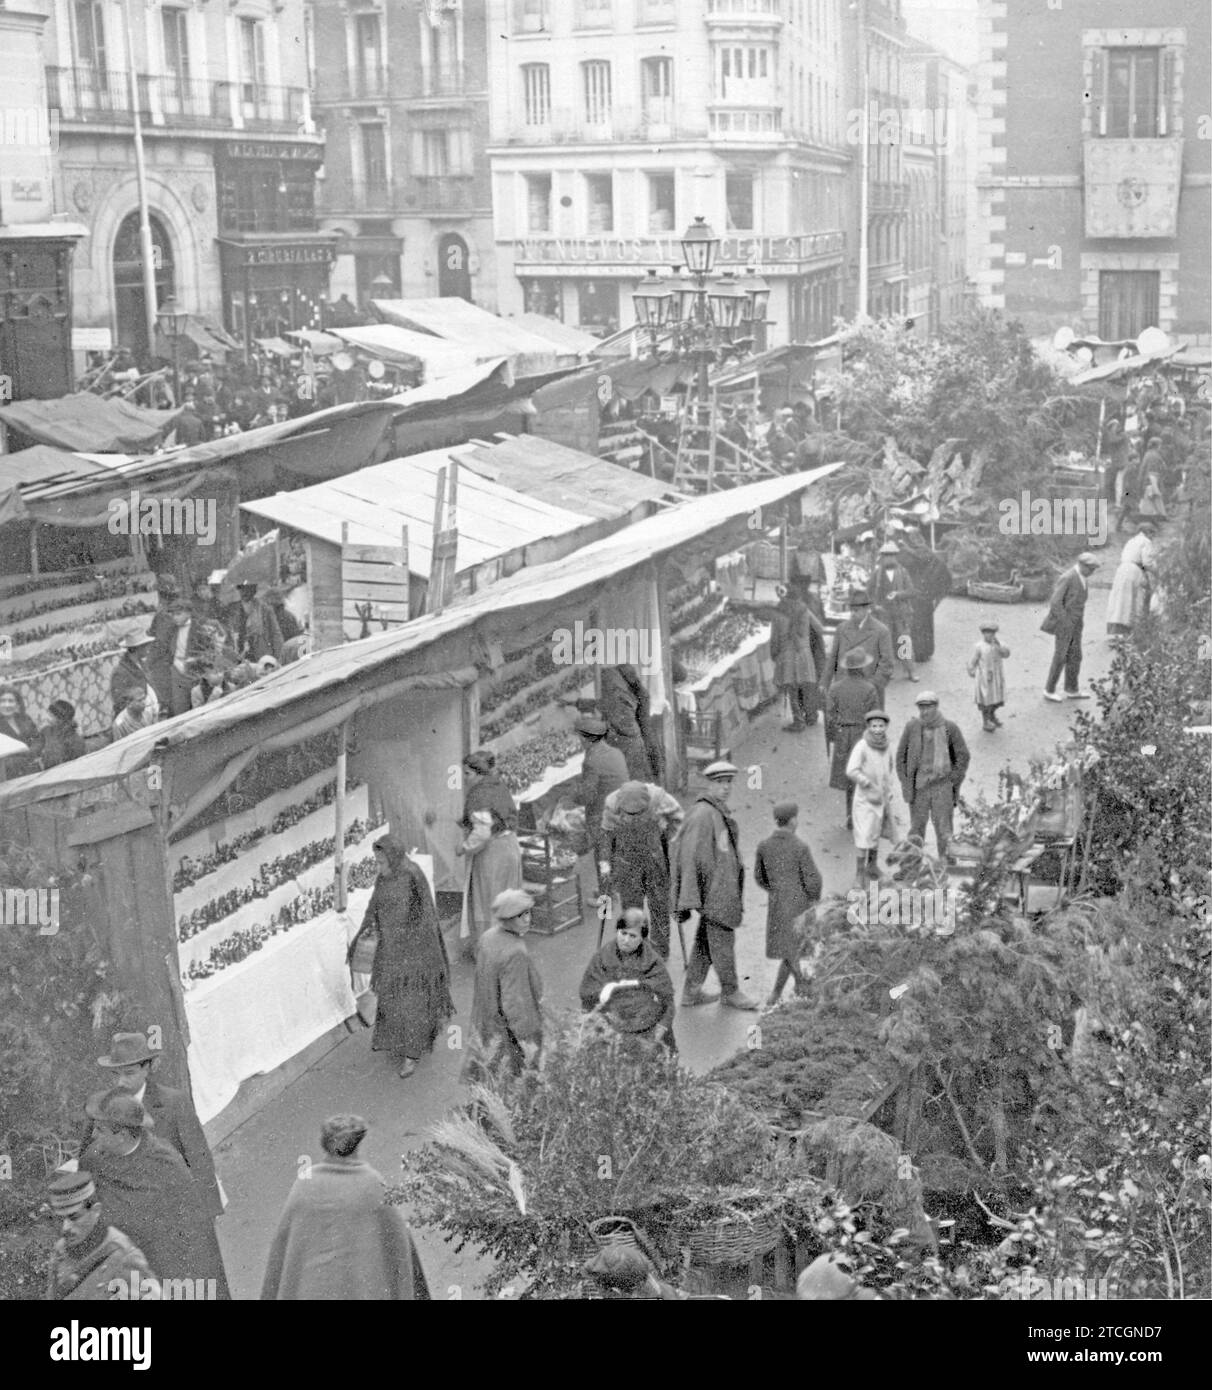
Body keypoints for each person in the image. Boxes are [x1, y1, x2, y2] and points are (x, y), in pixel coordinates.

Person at [261, 1115, 430, 1301]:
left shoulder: (304, 1186)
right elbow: (400, 1249)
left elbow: (280, 1256)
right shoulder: (372, 1185)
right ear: (358, 1143)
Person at [81, 1089, 230, 1297]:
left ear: (122, 1135)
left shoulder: (166, 1164)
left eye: (100, 1130)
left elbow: (194, 1236)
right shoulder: (93, 1159)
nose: (94, 1136)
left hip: (164, 1273)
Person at [346, 836, 453, 1080]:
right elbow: (374, 904)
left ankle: (412, 1054)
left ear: (393, 856)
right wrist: (365, 929)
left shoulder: (412, 874)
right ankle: (400, 1042)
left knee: (412, 1003)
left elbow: (426, 917)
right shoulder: (384, 877)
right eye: (377, 861)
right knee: (393, 1001)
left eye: (382, 860)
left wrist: (414, 947)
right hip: (390, 951)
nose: (379, 865)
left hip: (414, 954)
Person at [87, 1031, 223, 1220]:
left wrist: (208, 1212)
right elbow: (88, 1158)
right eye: (115, 1074)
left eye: (129, 1073)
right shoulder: (102, 1105)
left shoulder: (174, 1103)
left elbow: (199, 1158)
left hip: (171, 1206)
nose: (121, 1082)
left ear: (147, 1068)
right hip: (125, 1211)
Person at [671, 760, 758, 1011]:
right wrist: (694, 896)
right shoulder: (703, 814)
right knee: (722, 939)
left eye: (729, 782)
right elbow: (690, 857)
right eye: (720, 783)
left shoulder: (714, 810)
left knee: (706, 940)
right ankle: (731, 991)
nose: (726, 788)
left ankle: (691, 991)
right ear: (707, 784)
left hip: (719, 889)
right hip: (714, 892)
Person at [465, 889, 544, 1080]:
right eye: (519, 916)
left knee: (486, 1075)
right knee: (511, 1081)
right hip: (506, 1029)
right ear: (507, 919)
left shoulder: (488, 936)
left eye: (527, 913)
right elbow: (516, 1004)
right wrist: (528, 1041)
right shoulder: (516, 951)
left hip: (485, 1018)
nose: (526, 919)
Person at [599, 779, 682, 959]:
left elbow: (679, 820)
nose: (633, 817)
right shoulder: (612, 803)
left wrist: (674, 846)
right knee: (631, 911)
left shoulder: (659, 798)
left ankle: (660, 952)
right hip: (627, 863)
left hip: (654, 861)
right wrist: (604, 862)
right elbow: (605, 834)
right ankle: (635, 949)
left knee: (659, 907)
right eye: (629, 814)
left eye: (638, 813)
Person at [45, 1171, 160, 1302]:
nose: (65, 1228)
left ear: (96, 1210)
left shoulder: (123, 1256)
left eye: (74, 1217)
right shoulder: (60, 1251)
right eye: (60, 1219)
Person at [456, 748, 523, 962]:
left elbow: (483, 832)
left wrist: (464, 847)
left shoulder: (480, 794)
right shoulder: (497, 785)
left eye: (467, 774)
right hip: (510, 847)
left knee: (488, 901)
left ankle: (492, 953)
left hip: (493, 853)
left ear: (479, 774)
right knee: (508, 898)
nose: (465, 779)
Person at [754, 802, 822, 1006]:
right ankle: (802, 984)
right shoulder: (800, 847)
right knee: (793, 948)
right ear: (792, 820)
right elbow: (813, 879)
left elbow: (759, 876)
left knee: (788, 949)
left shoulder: (764, 846)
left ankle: (775, 994)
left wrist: (775, 890)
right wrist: (813, 899)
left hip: (777, 903)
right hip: (799, 904)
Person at [578, 907, 676, 1050]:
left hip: (647, 1028)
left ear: (642, 938)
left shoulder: (653, 962)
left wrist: (659, 1031)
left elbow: (668, 1002)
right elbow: (587, 996)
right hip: (611, 1028)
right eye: (623, 933)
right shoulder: (602, 958)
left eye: (632, 936)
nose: (626, 940)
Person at [895, 692, 970, 859]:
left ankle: (945, 867)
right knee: (916, 830)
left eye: (928, 707)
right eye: (921, 707)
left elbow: (963, 755)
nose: (925, 711)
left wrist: (953, 780)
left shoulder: (950, 728)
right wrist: (906, 780)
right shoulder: (912, 727)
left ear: (936, 707)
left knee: (944, 831)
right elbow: (900, 756)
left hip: (941, 786)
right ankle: (913, 867)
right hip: (919, 787)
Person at [824, 649, 881, 830]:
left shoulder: (835, 688)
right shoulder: (869, 688)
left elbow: (830, 715)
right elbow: (875, 717)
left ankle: (850, 816)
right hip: (862, 735)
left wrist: (834, 736)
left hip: (843, 736)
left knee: (849, 779)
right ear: (862, 668)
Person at [577, 713, 629, 888]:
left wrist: (569, 798)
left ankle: (606, 898)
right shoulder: (616, 753)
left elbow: (587, 795)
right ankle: (614, 889)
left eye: (581, 737)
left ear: (587, 739)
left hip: (603, 817)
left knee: (603, 858)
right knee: (614, 855)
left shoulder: (592, 760)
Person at [847, 709, 898, 887]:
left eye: (881, 726)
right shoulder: (862, 746)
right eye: (874, 726)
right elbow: (851, 770)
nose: (878, 729)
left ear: (886, 727)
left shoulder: (888, 745)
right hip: (865, 799)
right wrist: (866, 783)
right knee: (863, 834)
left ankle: (872, 866)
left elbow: (890, 768)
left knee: (875, 832)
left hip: (881, 797)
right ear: (868, 727)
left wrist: (888, 788)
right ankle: (859, 873)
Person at [1041, 551, 1101, 701]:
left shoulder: (1083, 578)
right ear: (1082, 565)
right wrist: (1065, 621)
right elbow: (1055, 602)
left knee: (1075, 656)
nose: (1092, 572)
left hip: (1077, 623)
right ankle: (1049, 690)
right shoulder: (1068, 577)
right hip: (1065, 623)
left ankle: (1072, 689)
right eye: (1091, 569)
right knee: (1060, 656)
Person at [769, 584, 822, 732]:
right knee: (806, 686)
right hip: (803, 652)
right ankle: (811, 716)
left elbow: (774, 639)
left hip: (787, 654)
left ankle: (798, 721)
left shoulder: (778, 612)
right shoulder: (804, 609)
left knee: (792, 688)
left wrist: (774, 654)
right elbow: (819, 628)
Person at [822, 589, 895, 696]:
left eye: (856, 610)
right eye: (851, 610)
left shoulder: (881, 631)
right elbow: (833, 658)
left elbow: (887, 664)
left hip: (869, 692)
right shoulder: (842, 629)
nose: (852, 613)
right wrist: (824, 682)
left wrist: (871, 686)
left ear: (866, 609)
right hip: (843, 689)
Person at [869, 541, 918, 681]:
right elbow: (869, 593)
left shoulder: (903, 572)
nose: (889, 558)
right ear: (882, 557)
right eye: (886, 555)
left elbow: (912, 591)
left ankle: (910, 671)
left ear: (896, 557)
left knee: (904, 642)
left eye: (891, 555)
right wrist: (874, 606)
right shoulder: (877, 574)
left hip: (901, 613)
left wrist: (898, 594)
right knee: (885, 644)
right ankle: (886, 672)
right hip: (883, 614)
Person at [900, 530, 951, 663]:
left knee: (917, 625)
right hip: (926, 595)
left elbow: (915, 560)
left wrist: (905, 548)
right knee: (925, 624)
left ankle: (919, 653)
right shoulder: (928, 554)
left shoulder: (921, 553)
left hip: (919, 595)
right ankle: (925, 651)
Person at [599, 664, 655, 781]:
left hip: (630, 744)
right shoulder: (631, 693)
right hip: (634, 742)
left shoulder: (625, 696)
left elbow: (624, 724)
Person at [148, 598, 204, 717]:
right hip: (177, 671)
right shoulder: (171, 629)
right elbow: (161, 644)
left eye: (179, 614)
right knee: (180, 708)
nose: (175, 618)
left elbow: (208, 652)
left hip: (194, 672)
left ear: (189, 613)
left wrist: (195, 660)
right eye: (173, 615)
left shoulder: (198, 628)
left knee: (197, 707)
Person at [1106, 522, 1157, 637]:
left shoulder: (1131, 541)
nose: (1153, 537)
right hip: (1134, 570)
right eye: (1153, 534)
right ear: (1148, 532)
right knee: (1132, 600)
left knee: (1119, 599)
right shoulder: (1146, 541)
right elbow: (1147, 563)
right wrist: (1157, 572)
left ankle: (1116, 631)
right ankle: (1128, 631)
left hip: (1122, 569)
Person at [967, 622, 1012, 733]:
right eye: (987, 633)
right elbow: (973, 660)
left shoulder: (998, 644)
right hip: (984, 678)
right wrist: (971, 669)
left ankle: (992, 716)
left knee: (996, 698)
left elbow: (1006, 654)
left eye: (992, 633)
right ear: (983, 634)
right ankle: (985, 721)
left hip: (996, 676)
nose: (990, 635)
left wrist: (999, 646)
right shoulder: (979, 647)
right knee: (986, 699)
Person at [108, 631, 159, 719]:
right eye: (145, 645)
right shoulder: (120, 672)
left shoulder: (142, 664)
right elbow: (119, 702)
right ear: (138, 648)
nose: (148, 648)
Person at [234, 582, 284, 664]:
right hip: (241, 655)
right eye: (241, 588)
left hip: (262, 656)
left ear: (254, 590)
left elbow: (276, 634)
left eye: (247, 588)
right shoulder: (235, 609)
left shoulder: (264, 609)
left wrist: (278, 658)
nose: (244, 592)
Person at [0, 686, 43, 778]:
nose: (7, 705)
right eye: (2, 701)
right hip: (8, 773)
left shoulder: (24, 718)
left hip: (32, 768)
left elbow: (38, 738)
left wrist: (32, 752)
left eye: (11, 701)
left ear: (17, 704)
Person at [40, 699, 85, 768]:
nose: (46, 718)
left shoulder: (72, 737)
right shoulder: (47, 731)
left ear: (59, 718)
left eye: (50, 715)